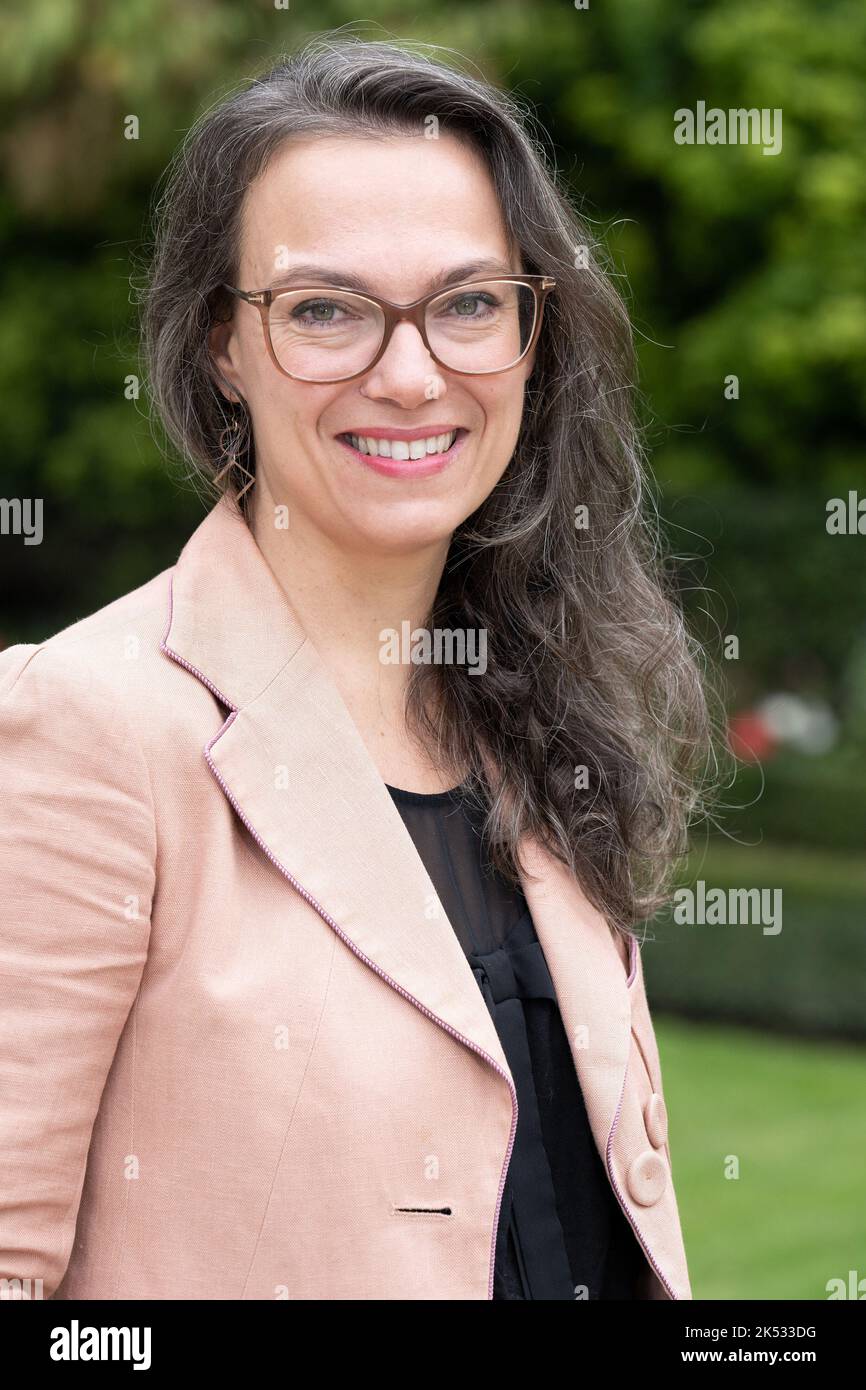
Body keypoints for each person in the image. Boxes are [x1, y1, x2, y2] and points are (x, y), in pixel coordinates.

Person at [0, 33, 714, 1301]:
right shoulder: (86, 723)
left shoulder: (537, 710)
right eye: (324, 308)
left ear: (532, 333)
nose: (408, 372)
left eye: (467, 304)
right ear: (222, 343)